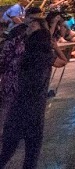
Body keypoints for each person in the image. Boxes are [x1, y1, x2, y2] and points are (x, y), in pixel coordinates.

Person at [0, 27, 52, 169]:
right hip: (35, 112)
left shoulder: (25, 59)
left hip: (19, 110)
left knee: (6, 152)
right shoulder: (45, 60)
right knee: (31, 154)